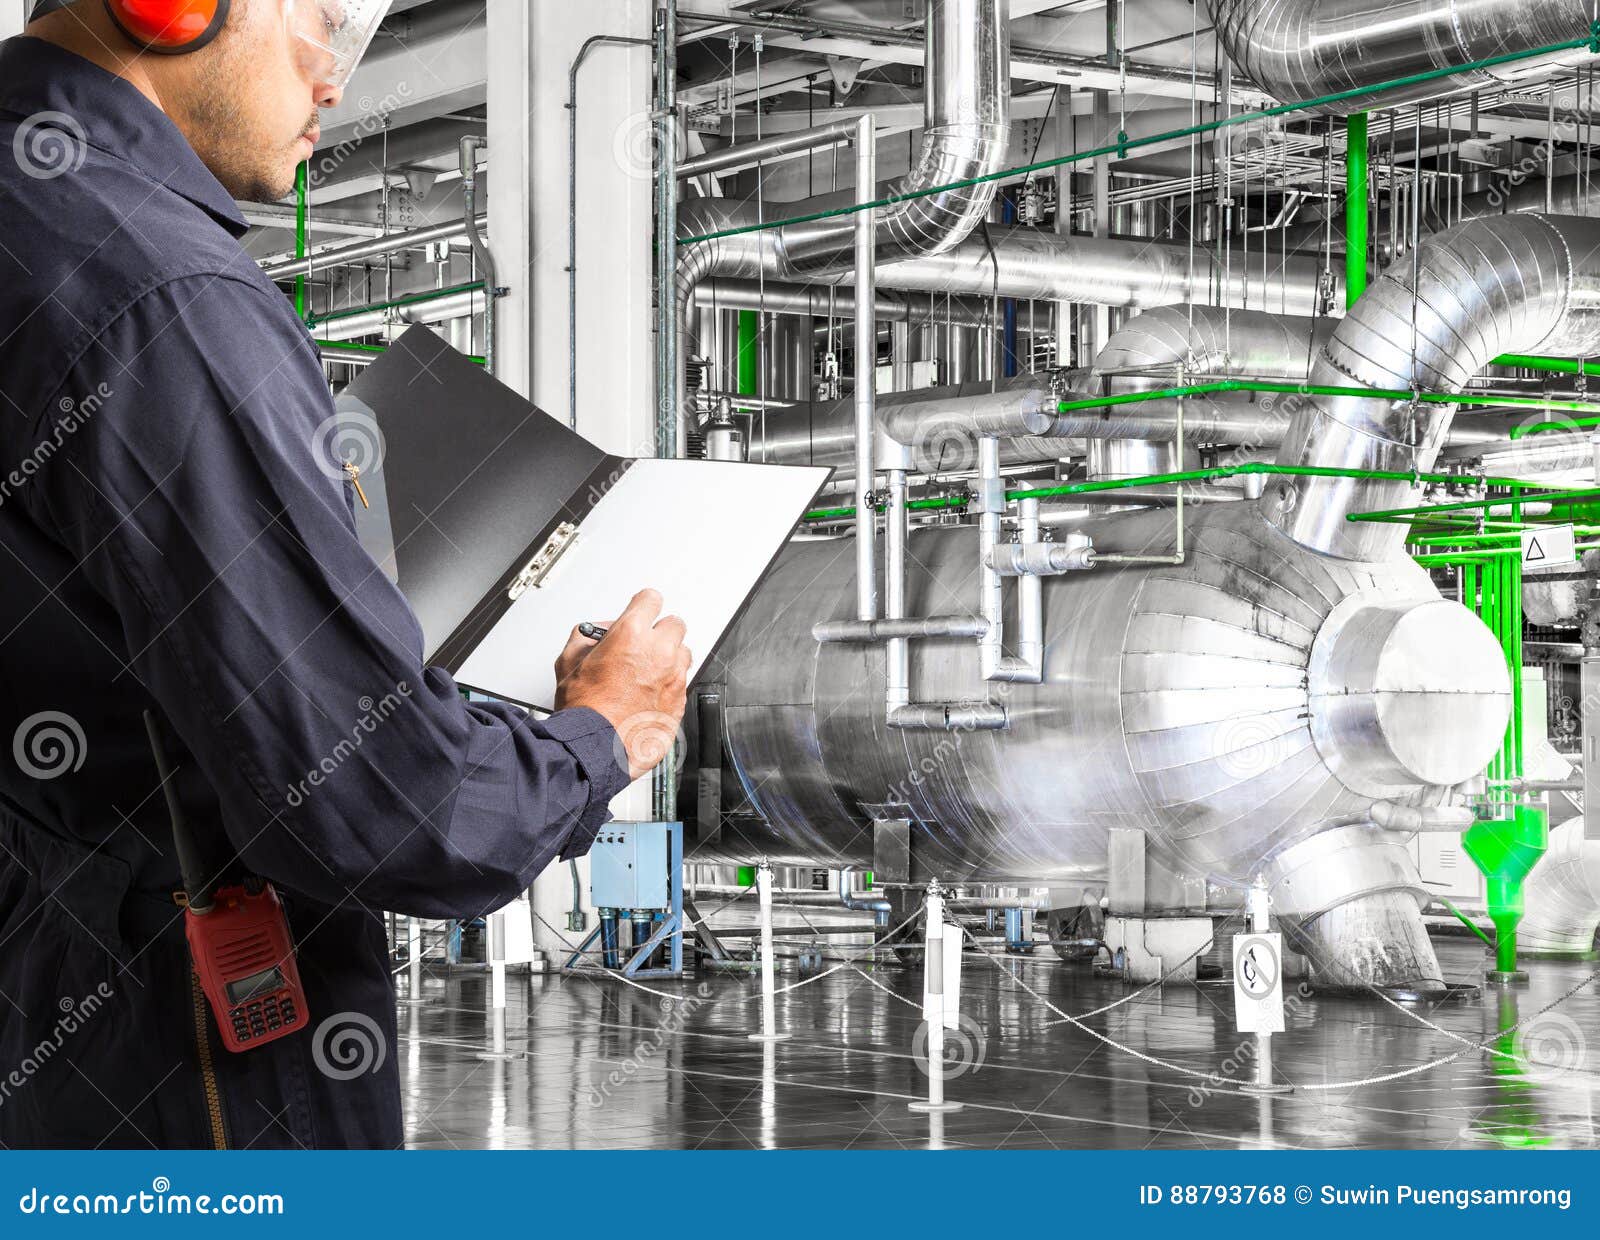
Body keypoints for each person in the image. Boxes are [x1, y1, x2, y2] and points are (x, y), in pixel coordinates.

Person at [0, 0, 690, 1148]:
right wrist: (600, 734)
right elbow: (380, 804)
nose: (335, 82)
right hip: (183, 1045)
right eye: (319, 23)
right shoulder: (165, 293)